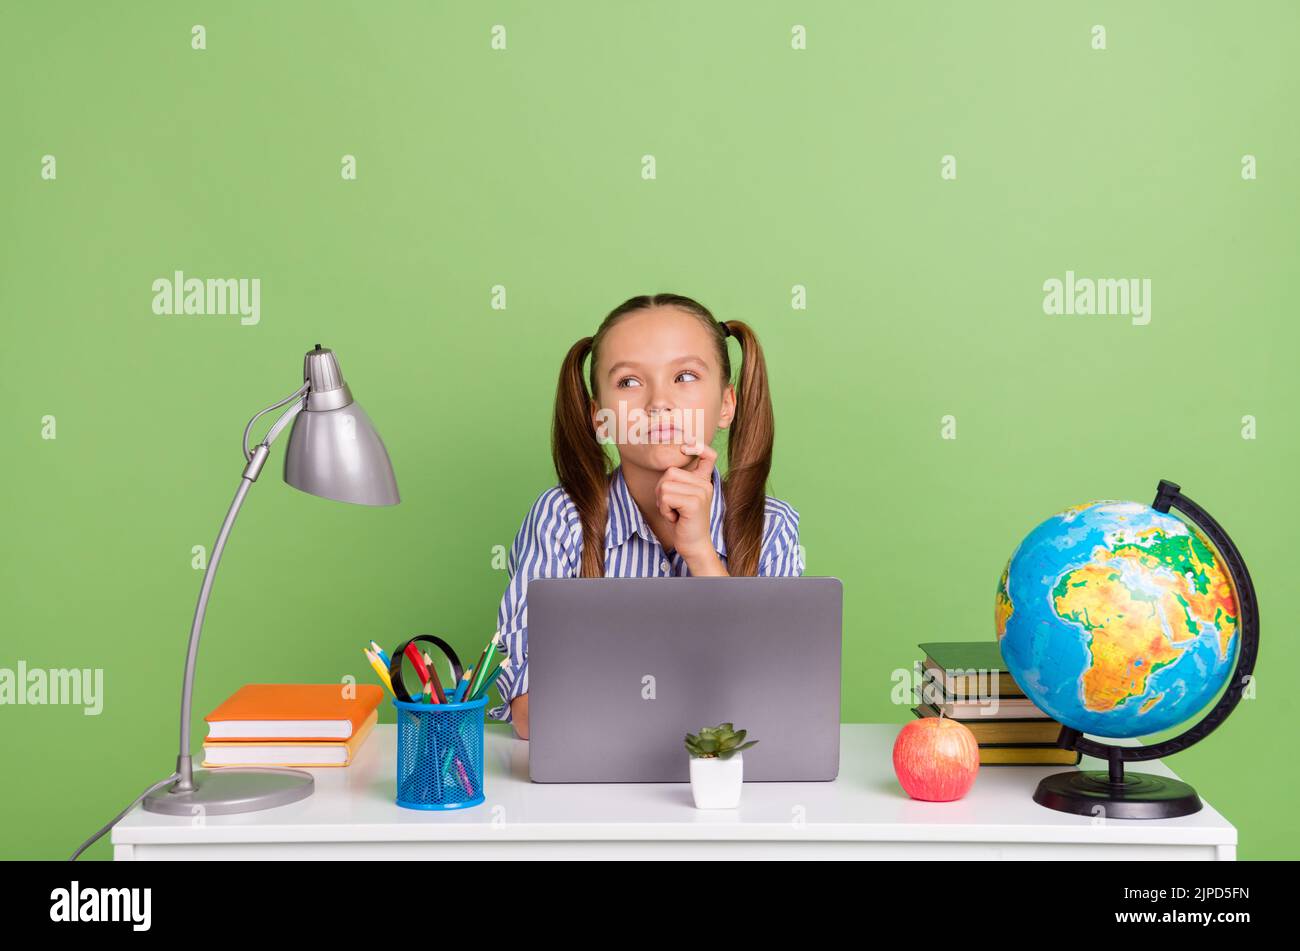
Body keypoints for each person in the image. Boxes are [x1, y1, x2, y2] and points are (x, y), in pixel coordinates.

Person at [488, 293, 803, 738]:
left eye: (685, 376)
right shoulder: (559, 521)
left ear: (727, 405)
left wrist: (702, 555)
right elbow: (532, 713)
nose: (658, 403)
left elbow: (775, 706)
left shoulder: (772, 526)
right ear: (600, 418)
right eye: (629, 383)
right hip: (592, 796)